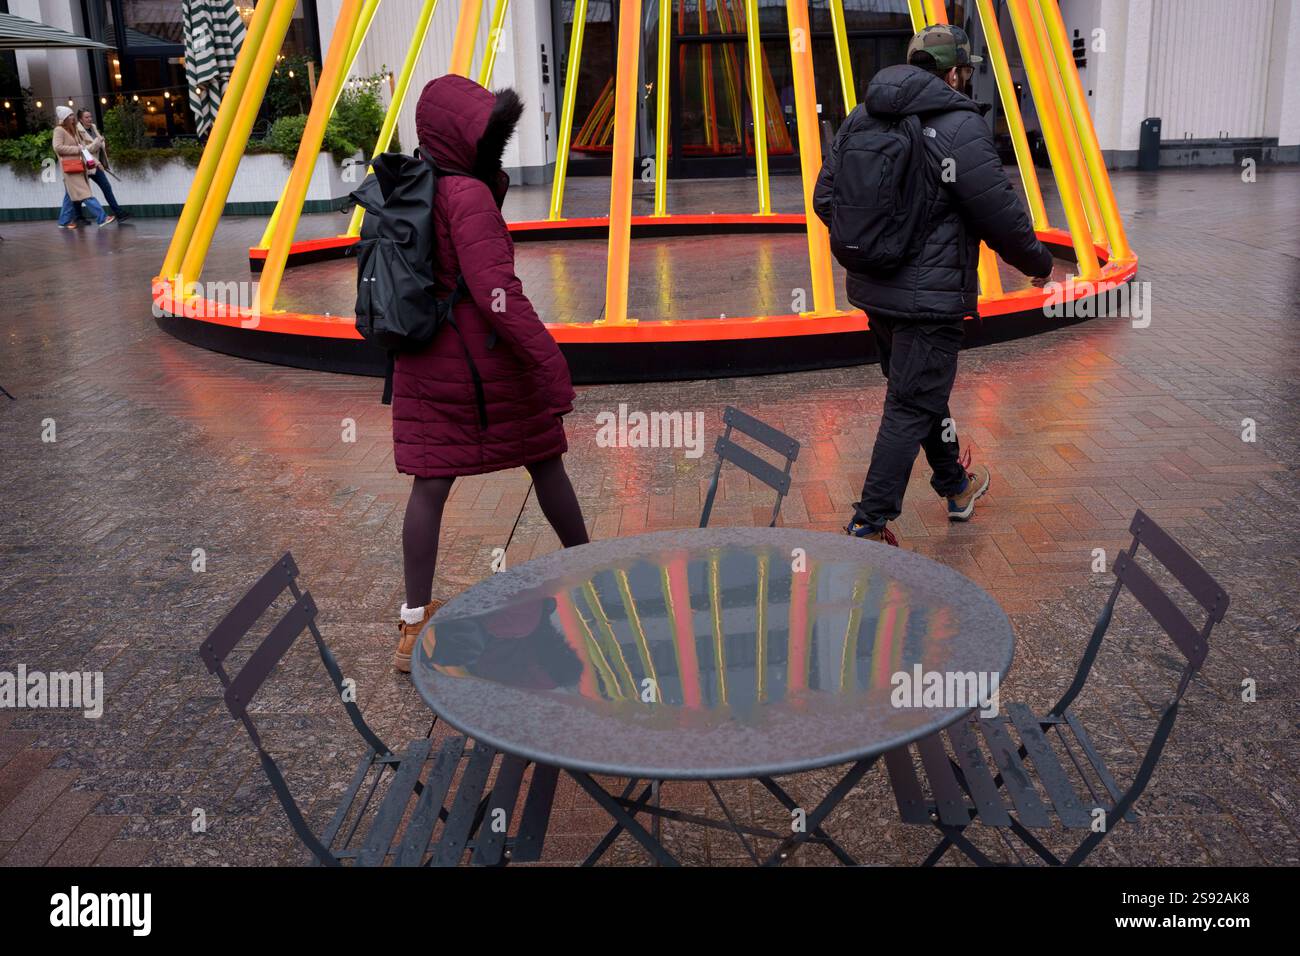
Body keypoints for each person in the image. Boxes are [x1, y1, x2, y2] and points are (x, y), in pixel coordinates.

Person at [814, 24, 1052, 546]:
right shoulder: (958, 126)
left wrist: (880, 242)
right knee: (909, 403)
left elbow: (824, 199)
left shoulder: (863, 114)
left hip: (875, 288)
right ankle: (869, 524)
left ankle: (956, 486)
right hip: (931, 298)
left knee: (918, 393)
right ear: (954, 72)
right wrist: (1039, 263)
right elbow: (1001, 215)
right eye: (966, 72)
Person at [391, 75, 589, 673]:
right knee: (545, 454)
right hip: (479, 362)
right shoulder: (466, 194)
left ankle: (413, 621)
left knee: (432, 480)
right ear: (467, 136)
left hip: (428, 359)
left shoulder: (423, 180)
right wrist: (548, 360)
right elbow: (496, 290)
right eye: (488, 134)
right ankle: (594, 574)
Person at [52, 106, 114, 229]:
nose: (72, 117)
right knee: (85, 193)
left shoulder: (73, 130)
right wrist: (77, 149)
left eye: (72, 115)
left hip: (78, 166)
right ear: (64, 118)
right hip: (70, 168)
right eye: (69, 115)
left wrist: (95, 161)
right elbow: (57, 147)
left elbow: (84, 149)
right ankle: (102, 218)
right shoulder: (59, 130)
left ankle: (63, 221)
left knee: (70, 195)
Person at [77, 109, 129, 221]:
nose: (89, 119)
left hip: (96, 164)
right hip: (85, 165)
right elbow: (84, 150)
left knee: (106, 187)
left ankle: (119, 213)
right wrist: (97, 142)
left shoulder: (93, 128)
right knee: (81, 191)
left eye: (90, 116)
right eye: (86, 117)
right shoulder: (77, 131)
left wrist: (101, 143)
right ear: (80, 119)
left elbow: (99, 145)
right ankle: (78, 216)